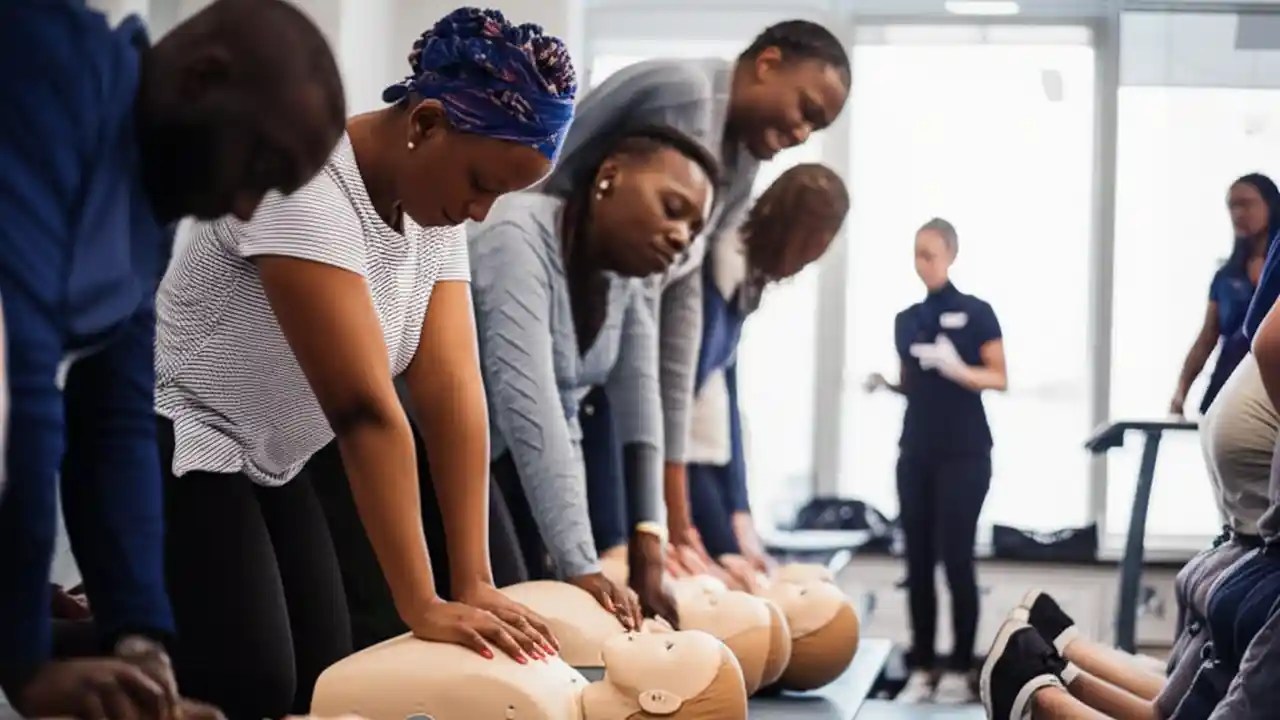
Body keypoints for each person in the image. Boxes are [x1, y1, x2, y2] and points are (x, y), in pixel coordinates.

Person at [153, 8, 575, 718]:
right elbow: (364, 409)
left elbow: (451, 389)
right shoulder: (304, 182)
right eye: (481, 182)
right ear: (427, 124)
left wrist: (472, 579)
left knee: (326, 672)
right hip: (176, 431)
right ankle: (50, 642)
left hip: (274, 457)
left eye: (499, 195)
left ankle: (147, 604)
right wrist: (424, 601)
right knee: (254, 682)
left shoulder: (431, 202)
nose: (479, 212)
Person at [0, 0, 346, 717]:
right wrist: (22, 658)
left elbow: (115, 422)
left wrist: (138, 637)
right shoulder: (49, 64)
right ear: (200, 78)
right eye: (260, 166)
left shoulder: (146, 213)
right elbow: (21, 369)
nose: (248, 209)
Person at [545, 21, 851, 577]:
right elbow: (629, 272)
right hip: (557, 323)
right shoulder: (686, 96)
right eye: (805, 108)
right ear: (767, 64)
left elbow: (677, 306)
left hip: (602, 345)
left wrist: (674, 518)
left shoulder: (744, 163)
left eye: (818, 126)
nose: (805, 132)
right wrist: (654, 524)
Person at [469, 125, 720, 629]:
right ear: (608, 178)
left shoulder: (628, 279)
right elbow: (531, 409)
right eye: (673, 209)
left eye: (693, 230)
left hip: (510, 468)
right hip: (434, 462)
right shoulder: (514, 235)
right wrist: (580, 564)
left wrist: (650, 547)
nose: (680, 237)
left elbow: (642, 412)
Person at [676, 164, 849, 587]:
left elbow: (727, 398)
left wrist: (741, 513)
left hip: (706, 453)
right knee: (728, 585)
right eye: (806, 252)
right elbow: (669, 406)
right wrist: (674, 521)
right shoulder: (711, 278)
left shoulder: (744, 286)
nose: (803, 266)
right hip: (677, 458)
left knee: (748, 571)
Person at [865, 218, 1008, 704]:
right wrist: (886, 383)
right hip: (917, 450)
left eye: (930, 253)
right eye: (916, 254)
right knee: (918, 560)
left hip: (965, 452)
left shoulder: (977, 313)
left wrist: (960, 369)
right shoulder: (907, 319)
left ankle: (961, 667)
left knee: (955, 558)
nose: (922, 263)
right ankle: (922, 665)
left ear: (950, 254)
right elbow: (910, 379)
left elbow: (999, 377)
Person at [1170, 174, 1280, 417]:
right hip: (1226, 390)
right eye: (1233, 205)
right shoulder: (1226, 277)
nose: (1239, 213)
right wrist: (1180, 395)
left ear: (1271, 205)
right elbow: (1207, 337)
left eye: (1247, 203)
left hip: (1269, 390)